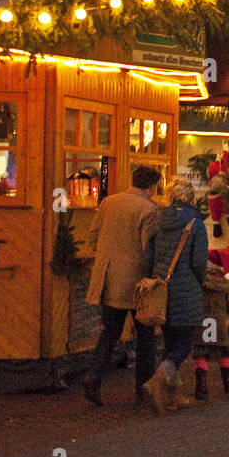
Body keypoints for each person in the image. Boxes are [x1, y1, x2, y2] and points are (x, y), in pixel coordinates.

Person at [83, 165, 163, 406]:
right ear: (151, 186)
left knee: (110, 331)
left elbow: (92, 237)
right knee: (146, 334)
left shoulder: (109, 202)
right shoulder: (149, 209)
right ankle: (143, 386)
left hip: (108, 279)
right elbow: (147, 250)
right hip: (136, 282)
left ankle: (94, 376)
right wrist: (154, 278)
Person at [141, 177, 209, 415]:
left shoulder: (158, 219)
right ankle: (158, 380)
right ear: (192, 198)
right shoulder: (196, 224)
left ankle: (175, 395)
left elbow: (148, 254)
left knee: (170, 341)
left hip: (160, 288)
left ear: (170, 196)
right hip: (185, 288)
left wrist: (153, 277)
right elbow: (199, 262)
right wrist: (201, 281)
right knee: (184, 343)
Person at [193, 250, 229, 399]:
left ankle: (202, 386)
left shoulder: (198, 284)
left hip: (202, 323)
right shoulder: (226, 288)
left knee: (201, 353)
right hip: (223, 325)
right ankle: (227, 381)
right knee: (225, 353)